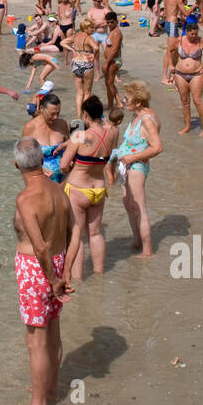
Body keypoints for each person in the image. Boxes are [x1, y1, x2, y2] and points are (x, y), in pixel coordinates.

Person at [9, 137, 80, 405]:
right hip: (58, 263)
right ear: (41, 160)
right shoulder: (59, 190)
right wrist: (65, 271)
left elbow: (39, 246)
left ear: (16, 165)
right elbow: (75, 232)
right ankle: (50, 389)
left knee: (35, 341)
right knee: (53, 332)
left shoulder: (26, 198)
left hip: (35, 269)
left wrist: (52, 279)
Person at [58, 94, 118, 280]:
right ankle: (99, 275)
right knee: (95, 233)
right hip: (98, 189)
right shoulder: (112, 133)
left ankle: (77, 279)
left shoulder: (80, 135)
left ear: (85, 114)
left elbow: (63, 164)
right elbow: (110, 152)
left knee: (77, 236)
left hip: (78, 189)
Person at [117, 82, 163, 258]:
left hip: (136, 166)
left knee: (139, 208)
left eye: (127, 98)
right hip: (126, 165)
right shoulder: (136, 115)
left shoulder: (146, 118)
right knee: (128, 204)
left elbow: (157, 147)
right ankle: (136, 240)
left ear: (138, 102)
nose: (124, 100)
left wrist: (132, 158)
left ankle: (147, 251)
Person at [173, 22, 203, 136]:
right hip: (180, 74)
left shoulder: (201, 41)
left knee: (197, 101)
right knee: (185, 102)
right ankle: (187, 126)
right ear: (187, 32)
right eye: (192, 34)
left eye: (195, 34)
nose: (194, 36)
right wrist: (171, 66)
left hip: (196, 74)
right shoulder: (179, 40)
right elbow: (169, 51)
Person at [22, 92, 70, 184]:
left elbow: (69, 147)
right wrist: (40, 169)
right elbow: (24, 158)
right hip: (40, 180)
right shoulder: (30, 127)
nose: (55, 117)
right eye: (52, 114)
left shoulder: (62, 124)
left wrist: (69, 160)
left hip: (63, 180)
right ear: (41, 109)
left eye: (58, 113)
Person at [68, 19, 99, 115]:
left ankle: (78, 115)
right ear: (86, 28)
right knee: (87, 92)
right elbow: (96, 48)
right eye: (91, 27)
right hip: (86, 64)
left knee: (79, 92)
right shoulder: (89, 37)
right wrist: (94, 55)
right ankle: (86, 114)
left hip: (76, 64)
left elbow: (63, 42)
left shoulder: (75, 36)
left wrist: (72, 50)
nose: (93, 29)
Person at [102, 11, 123, 110]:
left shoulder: (116, 33)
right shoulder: (112, 31)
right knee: (108, 83)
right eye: (108, 22)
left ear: (116, 21)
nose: (110, 24)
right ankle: (110, 105)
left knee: (109, 83)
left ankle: (118, 102)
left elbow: (114, 49)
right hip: (112, 60)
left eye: (112, 22)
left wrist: (106, 63)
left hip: (115, 60)